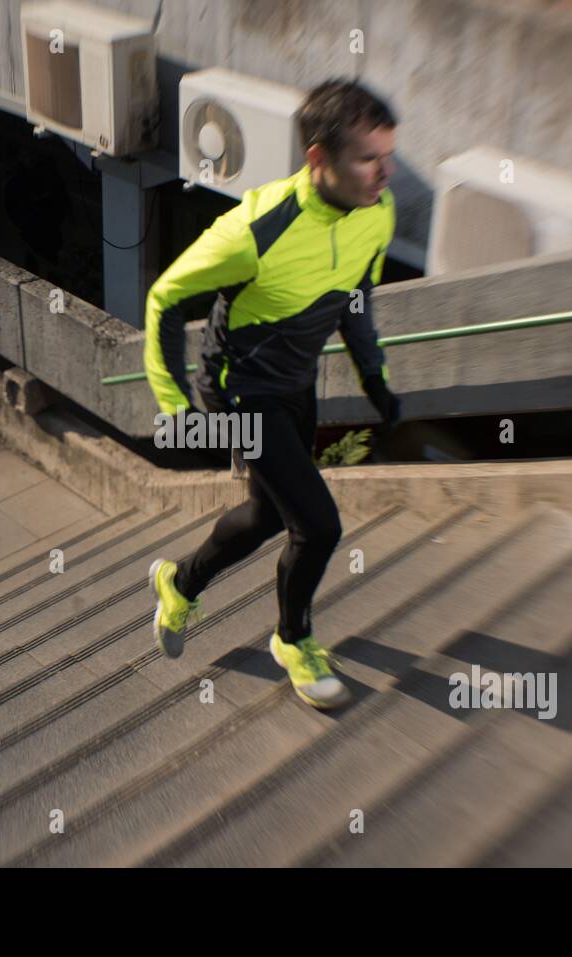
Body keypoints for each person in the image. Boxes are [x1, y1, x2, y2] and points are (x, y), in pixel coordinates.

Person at [143, 78, 401, 709]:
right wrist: (175, 409)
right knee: (317, 525)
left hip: (294, 388)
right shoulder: (255, 228)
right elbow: (166, 299)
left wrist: (372, 373)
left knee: (266, 515)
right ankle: (293, 639)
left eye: (388, 155)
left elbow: (356, 296)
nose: (383, 173)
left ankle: (179, 582)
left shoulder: (377, 212)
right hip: (237, 398)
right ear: (319, 159)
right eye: (367, 158)